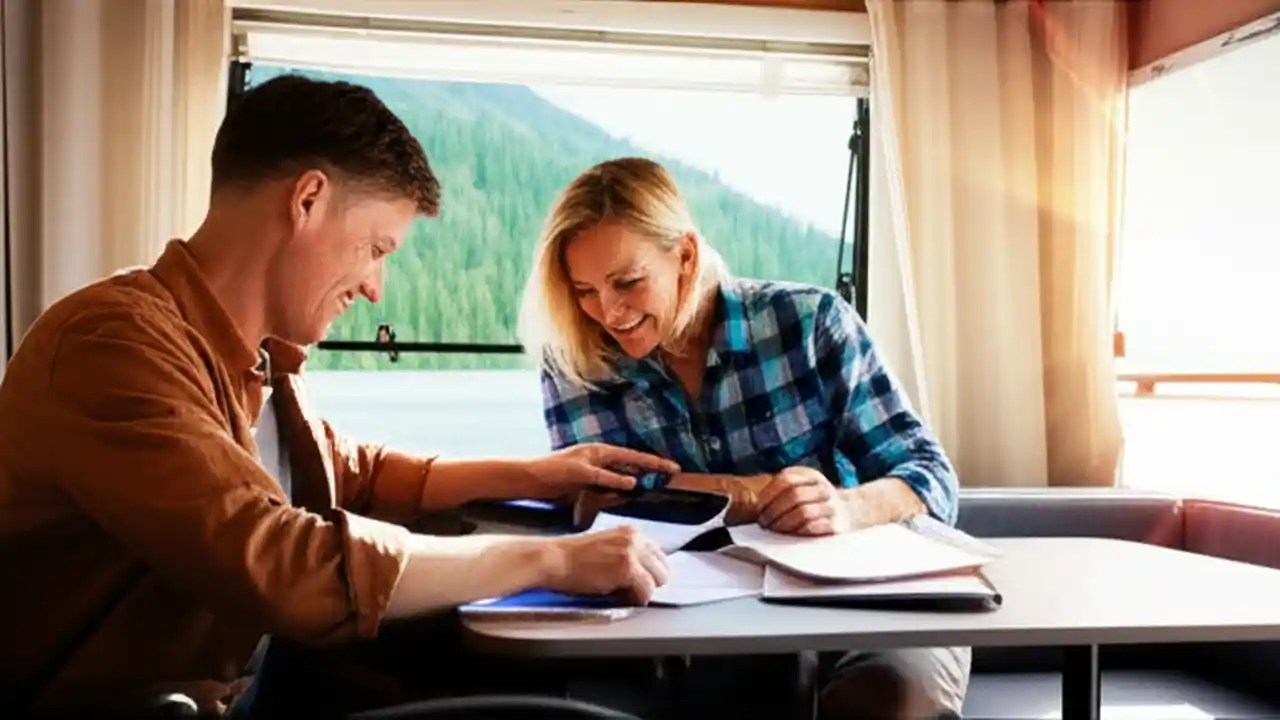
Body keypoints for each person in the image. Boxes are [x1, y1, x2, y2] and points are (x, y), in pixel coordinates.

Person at [0, 77, 676, 718]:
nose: (377, 287)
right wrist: (549, 558)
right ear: (308, 200)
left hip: (267, 673)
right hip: (171, 705)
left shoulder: (259, 359)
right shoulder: (112, 345)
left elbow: (352, 471)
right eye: (376, 247)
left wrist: (539, 475)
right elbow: (283, 563)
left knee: (603, 684)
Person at [518, 157, 968, 719]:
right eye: (584, 290)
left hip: (864, 601)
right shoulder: (576, 364)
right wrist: (756, 492)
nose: (608, 311)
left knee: (888, 697)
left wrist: (846, 505)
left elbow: (928, 472)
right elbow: (601, 500)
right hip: (696, 622)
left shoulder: (810, 324)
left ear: (685, 255)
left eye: (628, 282)